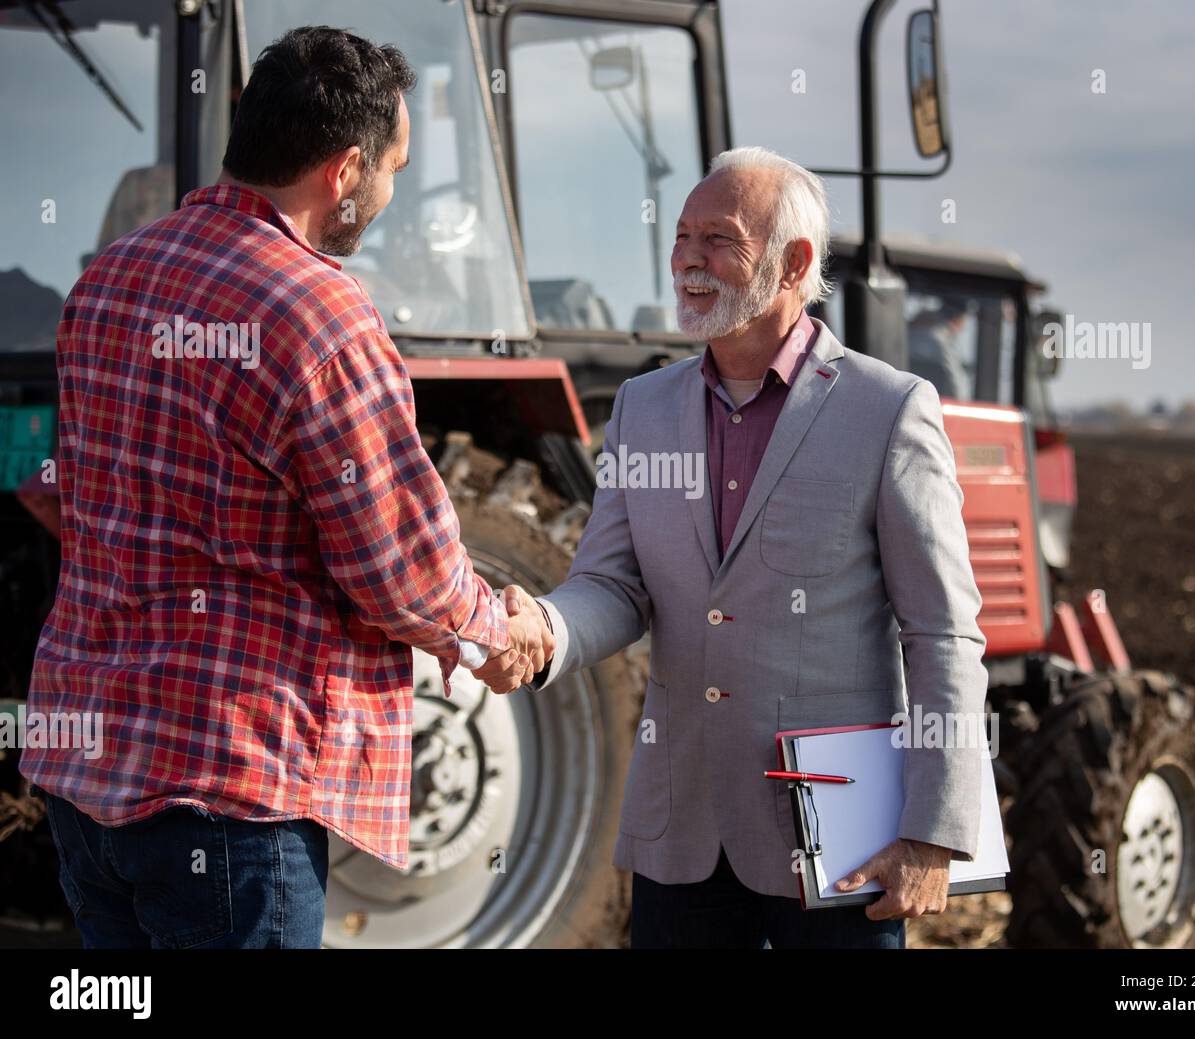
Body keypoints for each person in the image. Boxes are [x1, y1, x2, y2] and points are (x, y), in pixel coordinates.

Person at [20, 26, 551, 949]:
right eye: (395, 168)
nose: (390, 191)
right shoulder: (320, 315)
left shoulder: (103, 285)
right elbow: (400, 570)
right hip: (232, 800)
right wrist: (502, 632)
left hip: (89, 778)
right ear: (345, 171)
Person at [487, 146, 988, 948]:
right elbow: (614, 585)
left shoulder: (888, 410)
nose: (688, 255)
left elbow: (942, 636)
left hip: (840, 842)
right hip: (680, 833)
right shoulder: (643, 409)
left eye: (718, 238)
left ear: (793, 264)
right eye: (683, 234)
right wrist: (546, 627)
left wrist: (934, 829)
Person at [907, 295, 971, 399]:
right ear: (957, 320)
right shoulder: (940, 342)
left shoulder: (905, 332)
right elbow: (957, 390)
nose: (963, 329)